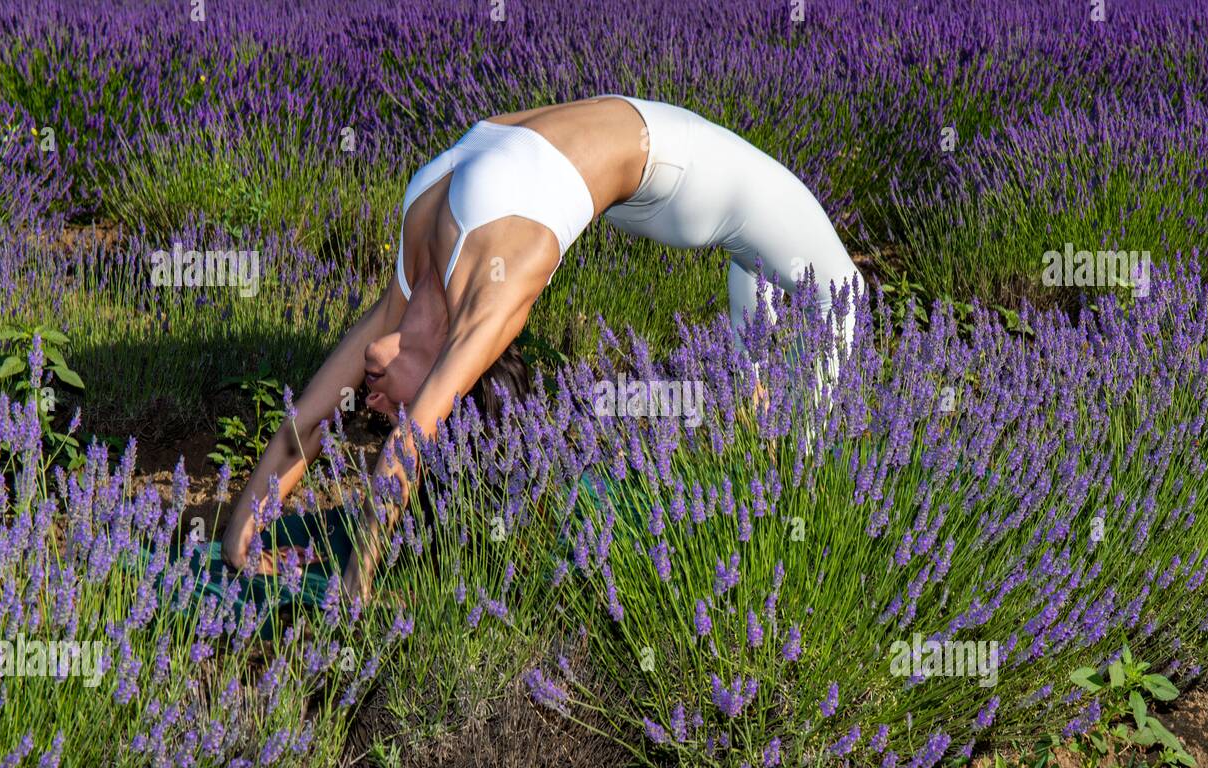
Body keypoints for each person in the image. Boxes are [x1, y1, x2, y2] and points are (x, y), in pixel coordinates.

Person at [221, 94, 862, 602]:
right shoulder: (487, 305)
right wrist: (243, 546)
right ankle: (783, 543)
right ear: (452, 375)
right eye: (385, 411)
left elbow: (335, 424)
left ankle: (813, 558)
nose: (374, 407)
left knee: (800, 440)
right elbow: (389, 434)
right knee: (792, 427)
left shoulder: (411, 279)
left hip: (699, 177)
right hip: (693, 179)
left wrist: (301, 559)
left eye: (376, 410)